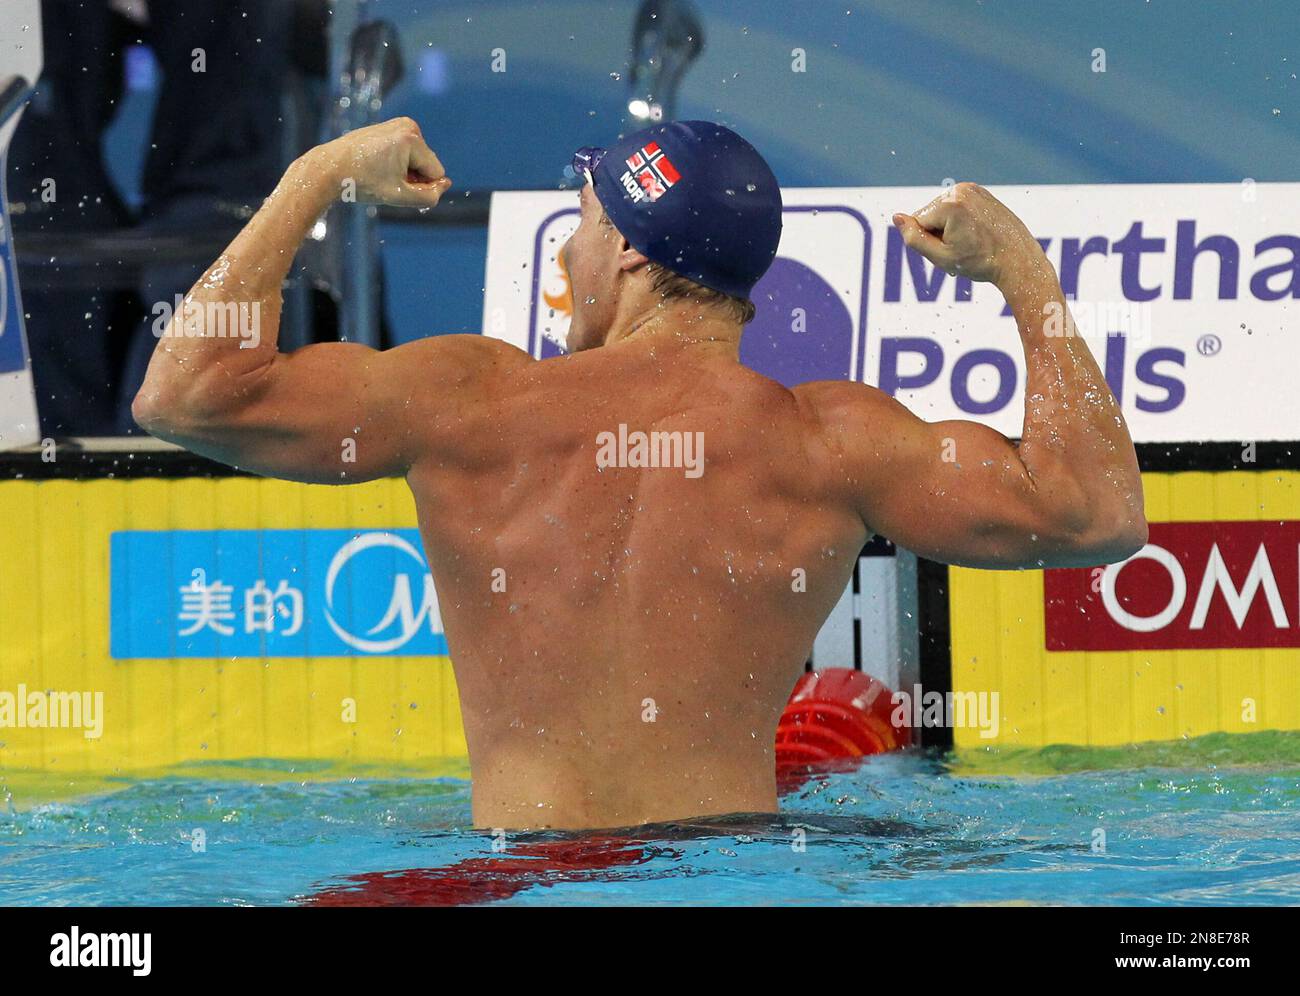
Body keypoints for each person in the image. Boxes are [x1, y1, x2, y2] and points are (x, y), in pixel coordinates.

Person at [132, 117, 1147, 830]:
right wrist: (1022, 273)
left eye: (582, 224)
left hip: (516, 876)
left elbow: (185, 396)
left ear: (625, 249)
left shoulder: (472, 399)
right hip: (732, 873)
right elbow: (1097, 516)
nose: (565, 255)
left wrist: (315, 176)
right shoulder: (829, 441)